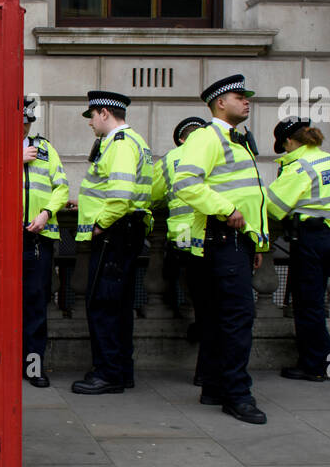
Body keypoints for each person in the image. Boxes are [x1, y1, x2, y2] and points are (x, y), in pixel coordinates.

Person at [171, 74, 269, 424]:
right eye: (239, 96)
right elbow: (186, 182)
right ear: (219, 102)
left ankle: (214, 387)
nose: (247, 101)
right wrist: (226, 210)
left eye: (247, 96)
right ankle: (237, 395)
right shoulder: (207, 137)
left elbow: (249, 194)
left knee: (216, 318)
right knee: (237, 320)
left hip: (235, 241)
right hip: (223, 240)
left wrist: (257, 240)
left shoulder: (237, 141)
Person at [71, 91, 153, 395]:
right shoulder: (136, 142)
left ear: (104, 113)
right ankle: (121, 371)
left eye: (92, 116)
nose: (90, 123)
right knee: (118, 307)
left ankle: (107, 374)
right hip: (127, 234)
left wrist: (99, 226)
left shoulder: (118, 145)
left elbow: (119, 197)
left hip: (113, 235)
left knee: (103, 305)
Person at [265, 116, 330, 382]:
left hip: (308, 239)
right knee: (316, 302)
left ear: (289, 140)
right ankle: (326, 364)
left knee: (306, 304)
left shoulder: (300, 166)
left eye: (284, 145)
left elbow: (275, 208)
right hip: (329, 237)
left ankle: (315, 366)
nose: (284, 150)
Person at [151, 117, 208, 384]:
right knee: (214, 302)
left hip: (184, 236)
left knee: (193, 290)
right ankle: (207, 369)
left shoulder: (172, 158)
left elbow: (152, 194)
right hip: (214, 234)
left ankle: (193, 321)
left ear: (181, 138)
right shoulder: (218, 150)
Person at [21, 95, 69, 388]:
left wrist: (46, 213)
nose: (24, 127)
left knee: (36, 307)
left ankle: (33, 367)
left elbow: (61, 187)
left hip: (38, 237)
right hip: (3, 238)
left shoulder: (46, 148)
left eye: (27, 122)